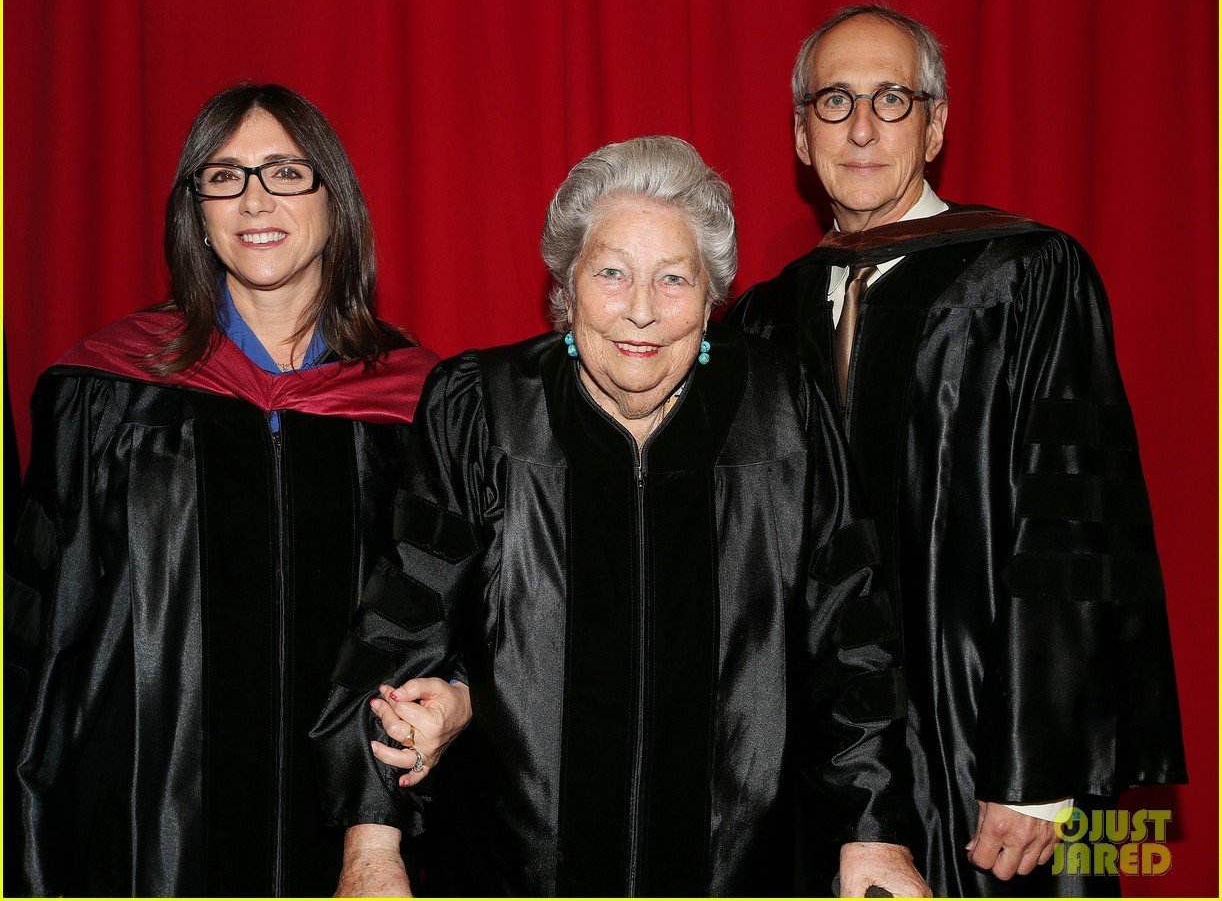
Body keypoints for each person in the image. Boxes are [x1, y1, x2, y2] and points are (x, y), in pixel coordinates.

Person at [311, 135, 931, 897]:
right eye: (610, 273)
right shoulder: (483, 408)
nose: (641, 311)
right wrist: (374, 847)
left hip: (737, 870)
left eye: (673, 278)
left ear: (712, 296)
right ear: (566, 286)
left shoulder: (783, 413)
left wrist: (874, 835)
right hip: (516, 868)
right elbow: (404, 626)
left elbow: (851, 638)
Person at [725, 5, 1187, 897]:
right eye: (835, 101)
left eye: (893, 99)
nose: (861, 128)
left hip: (985, 736)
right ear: (799, 131)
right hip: (821, 759)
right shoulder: (764, 317)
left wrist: (1040, 769)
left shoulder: (1029, 276)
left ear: (935, 125)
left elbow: (1069, 525)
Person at [7, 83, 450, 897]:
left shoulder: (418, 405)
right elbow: (38, 640)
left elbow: (451, 625)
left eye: (286, 172)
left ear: (333, 199)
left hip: (351, 840)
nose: (253, 199)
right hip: (143, 829)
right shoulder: (104, 391)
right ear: (196, 213)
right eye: (223, 176)